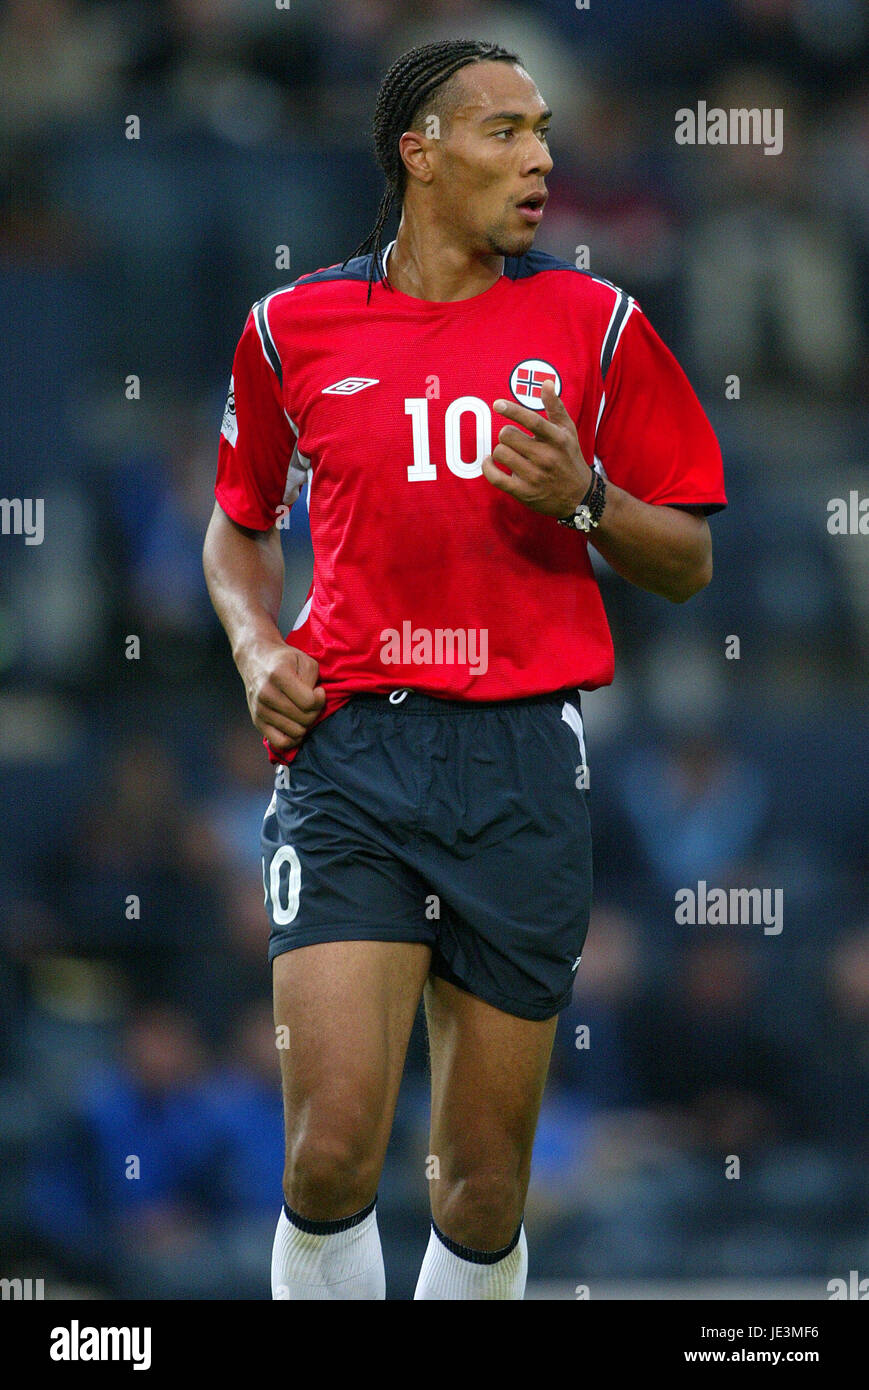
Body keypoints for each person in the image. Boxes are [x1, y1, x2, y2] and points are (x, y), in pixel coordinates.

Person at [202, 37, 726, 1300]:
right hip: (351, 754)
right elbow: (237, 523)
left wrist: (588, 499)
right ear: (418, 153)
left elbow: (689, 558)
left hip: (520, 757)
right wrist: (256, 642)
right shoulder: (291, 328)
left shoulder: (596, 324)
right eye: (502, 131)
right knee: (330, 1152)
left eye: (543, 130)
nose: (540, 156)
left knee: (481, 1185)